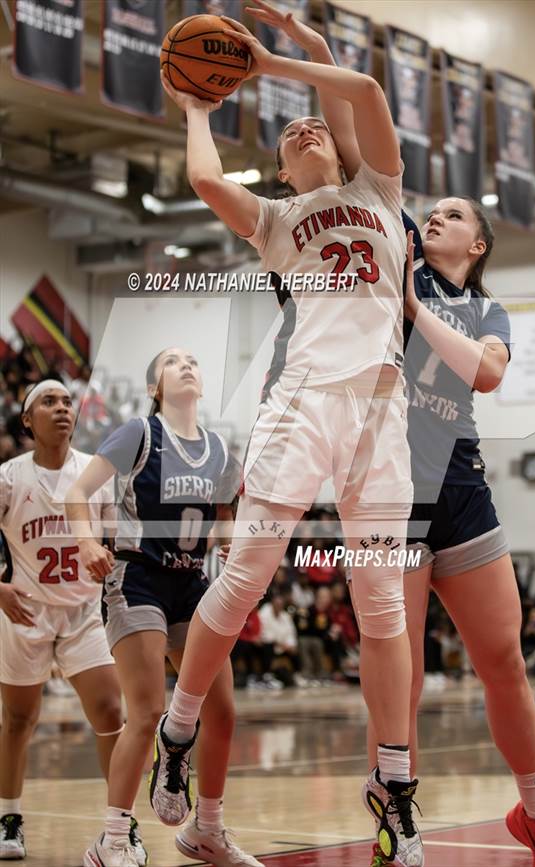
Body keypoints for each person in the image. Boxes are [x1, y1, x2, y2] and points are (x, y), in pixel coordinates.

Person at [245, 5, 535, 864]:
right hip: (384, 472)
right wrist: (312, 48)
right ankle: (398, 819)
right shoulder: (384, 228)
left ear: (480, 240)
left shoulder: (479, 306)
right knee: (398, 668)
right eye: (438, 210)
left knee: (502, 653)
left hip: (457, 484)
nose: (439, 218)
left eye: (457, 214)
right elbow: (354, 121)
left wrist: (418, 311)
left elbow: (489, 372)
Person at [155, 11, 423, 866]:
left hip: (382, 414)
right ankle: (179, 725)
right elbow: (204, 182)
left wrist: (298, 56)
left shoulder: (381, 191)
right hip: (304, 404)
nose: (303, 125)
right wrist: (198, 105)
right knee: (247, 579)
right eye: (287, 134)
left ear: (340, 150)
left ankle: (394, 783)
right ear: (280, 169)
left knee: (381, 605)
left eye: (315, 122)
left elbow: (368, 92)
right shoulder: (279, 221)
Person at [65, 349, 262, 867]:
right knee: (149, 710)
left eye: (193, 359)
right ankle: (110, 840)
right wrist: (87, 543)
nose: (187, 365)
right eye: (173, 361)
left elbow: (225, 512)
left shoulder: (221, 449)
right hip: (139, 578)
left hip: (193, 583)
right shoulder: (139, 433)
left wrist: (227, 539)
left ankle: (208, 830)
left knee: (221, 710)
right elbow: (77, 494)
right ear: (156, 384)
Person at [0, 381, 136, 862]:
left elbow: (117, 541)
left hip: (83, 612)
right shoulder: (9, 477)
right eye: (48, 402)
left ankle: (121, 826)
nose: (61, 408)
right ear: (27, 419)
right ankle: (9, 817)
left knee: (110, 716)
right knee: (18, 719)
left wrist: (107, 555)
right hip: (27, 610)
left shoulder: (93, 475)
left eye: (66, 402)